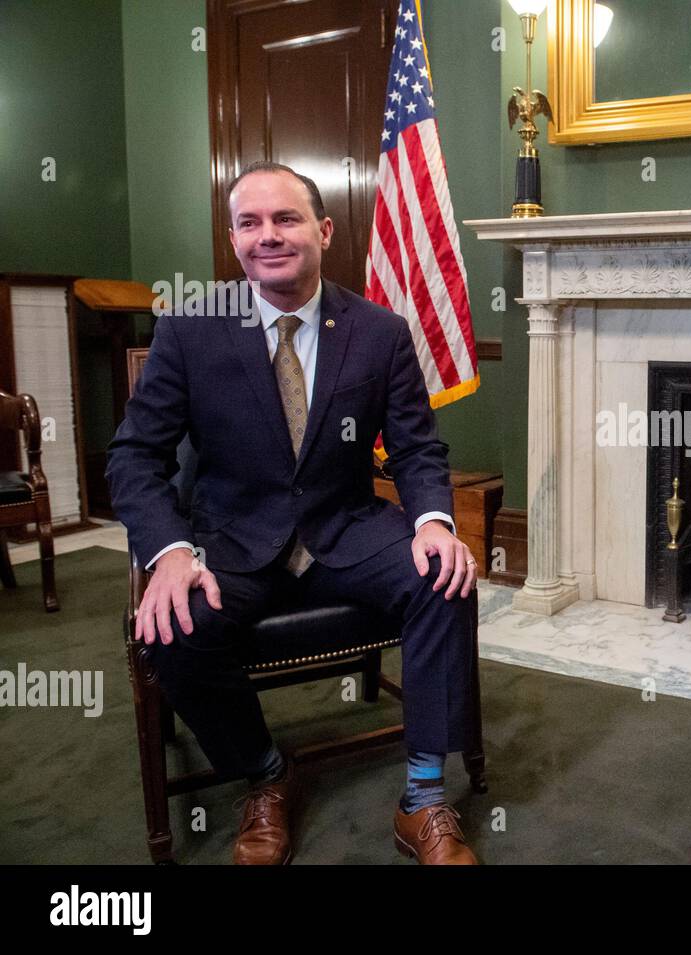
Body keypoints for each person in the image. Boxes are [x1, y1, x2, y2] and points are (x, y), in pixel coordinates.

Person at [107, 161, 479, 865]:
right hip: (232, 538)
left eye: (286, 219)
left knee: (445, 578)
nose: (268, 236)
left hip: (346, 529)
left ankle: (424, 798)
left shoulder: (379, 331)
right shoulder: (191, 331)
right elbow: (133, 457)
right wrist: (170, 552)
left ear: (323, 230)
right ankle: (266, 773)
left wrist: (433, 520)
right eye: (250, 222)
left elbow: (417, 449)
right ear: (234, 238)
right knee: (174, 625)